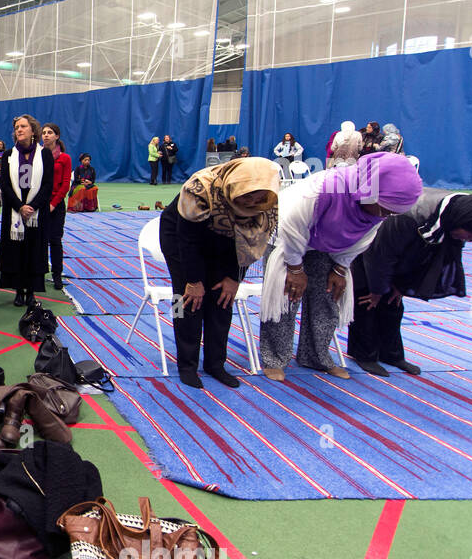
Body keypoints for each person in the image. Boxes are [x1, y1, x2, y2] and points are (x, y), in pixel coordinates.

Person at [259, 152, 423, 381]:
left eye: (393, 211)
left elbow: (363, 238)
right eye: (386, 208)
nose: (388, 215)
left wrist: (340, 268)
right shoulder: (325, 189)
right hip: (287, 236)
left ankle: (315, 357)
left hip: (328, 245)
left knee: (328, 297)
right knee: (286, 295)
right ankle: (275, 358)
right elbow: (291, 226)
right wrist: (295, 268)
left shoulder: (375, 206)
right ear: (369, 191)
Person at [349, 191, 472, 376]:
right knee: (367, 302)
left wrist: (401, 286)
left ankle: (391, 355)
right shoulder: (409, 216)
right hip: (369, 251)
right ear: (463, 221)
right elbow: (379, 255)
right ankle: (364, 355)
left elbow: (428, 259)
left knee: (393, 304)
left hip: (403, 255)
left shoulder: (453, 216)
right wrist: (377, 290)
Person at [159, 158, 281, 389]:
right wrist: (193, 280)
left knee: (223, 299)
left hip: (228, 240)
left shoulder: (267, 202)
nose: (253, 202)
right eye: (247, 197)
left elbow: (252, 244)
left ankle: (216, 364)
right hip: (179, 236)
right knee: (185, 301)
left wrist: (234, 278)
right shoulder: (198, 189)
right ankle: (187, 364)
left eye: (257, 198)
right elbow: (188, 240)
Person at [0, 114, 53, 306]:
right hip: (15, 211)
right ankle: (18, 290)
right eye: (16, 127)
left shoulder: (44, 154)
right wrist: (20, 206)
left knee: (33, 250)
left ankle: (31, 291)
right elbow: (4, 184)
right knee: (16, 251)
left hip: (36, 213)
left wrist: (32, 206)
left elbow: (48, 184)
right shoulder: (8, 155)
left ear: (33, 130)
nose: (19, 130)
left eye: (23, 126)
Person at [42, 123, 71, 290]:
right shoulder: (37, 155)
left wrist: (53, 204)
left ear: (57, 136)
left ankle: (57, 275)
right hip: (39, 205)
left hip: (56, 206)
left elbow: (65, 185)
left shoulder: (65, 158)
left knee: (55, 241)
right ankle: (38, 274)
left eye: (50, 132)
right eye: (44, 133)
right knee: (39, 241)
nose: (46, 135)